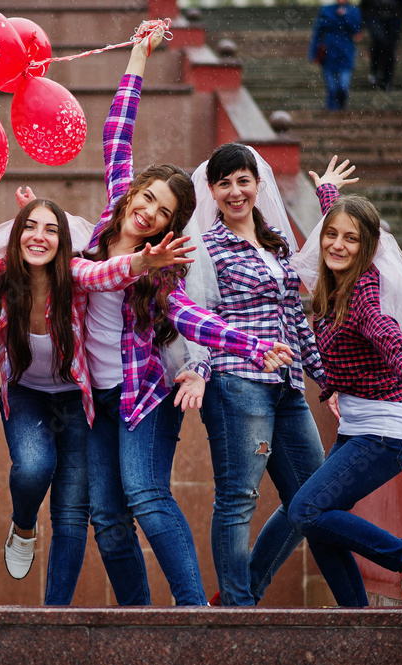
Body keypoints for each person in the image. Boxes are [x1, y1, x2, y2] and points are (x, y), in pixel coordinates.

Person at [0, 196, 194, 605]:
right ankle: (24, 524)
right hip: (27, 396)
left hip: (74, 401)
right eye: (30, 227)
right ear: (17, 234)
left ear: (62, 240)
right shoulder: (1, 274)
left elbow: (107, 273)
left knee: (71, 513)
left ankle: (56, 616)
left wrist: (142, 263)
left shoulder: (76, 274)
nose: (39, 237)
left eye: (51, 229)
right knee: (33, 467)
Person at [83, 29, 292, 606]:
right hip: (91, 396)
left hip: (146, 394)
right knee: (106, 515)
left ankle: (193, 608)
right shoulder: (104, 229)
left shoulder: (157, 269)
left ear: (172, 226)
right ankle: (138, 618)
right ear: (132, 195)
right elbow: (116, 133)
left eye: (165, 212)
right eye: (147, 198)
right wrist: (138, 56)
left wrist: (252, 347)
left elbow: (193, 317)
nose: (149, 212)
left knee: (146, 496)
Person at [184, 144, 361, 607]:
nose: (235, 191)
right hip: (237, 384)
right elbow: (200, 319)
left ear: (258, 184)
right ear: (213, 191)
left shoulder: (277, 241)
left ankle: (242, 595)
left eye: (243, 180)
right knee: (238, 498)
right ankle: (237, 611)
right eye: (224, 183)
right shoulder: (207, 248)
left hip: (287, 389)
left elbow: (297, 319)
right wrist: (200, 370)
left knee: (311, 501)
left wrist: (328, 381)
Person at [285, 158, 402, 608]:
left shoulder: (362, 293)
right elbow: (339, 224)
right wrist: (328, 193)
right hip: (359, 429)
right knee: (319, 519)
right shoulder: (335, 283)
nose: (337, 245)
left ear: (368, 249)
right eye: (331, 233)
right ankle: (357, 617)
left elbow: (385, 332)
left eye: (351, 239)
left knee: (305, 510)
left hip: (386, 434)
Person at [310, 0, 362, 111]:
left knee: (343, 86)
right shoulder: (326, 10)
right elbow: (318, 32)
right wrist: (313, 53)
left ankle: (341, 108)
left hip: (346, 52)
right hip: (328, 52)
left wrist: (345, 16)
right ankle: (331, 111)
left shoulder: (353, 10)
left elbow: (355, 29)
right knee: (332, 88)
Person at [361, 0, 402, 91]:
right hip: (374, 17)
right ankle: (376, 70)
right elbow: (363, 6)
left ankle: (387, 78)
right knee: (380, 42)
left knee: (389, 48)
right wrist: (361, 23)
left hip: (393, 18)